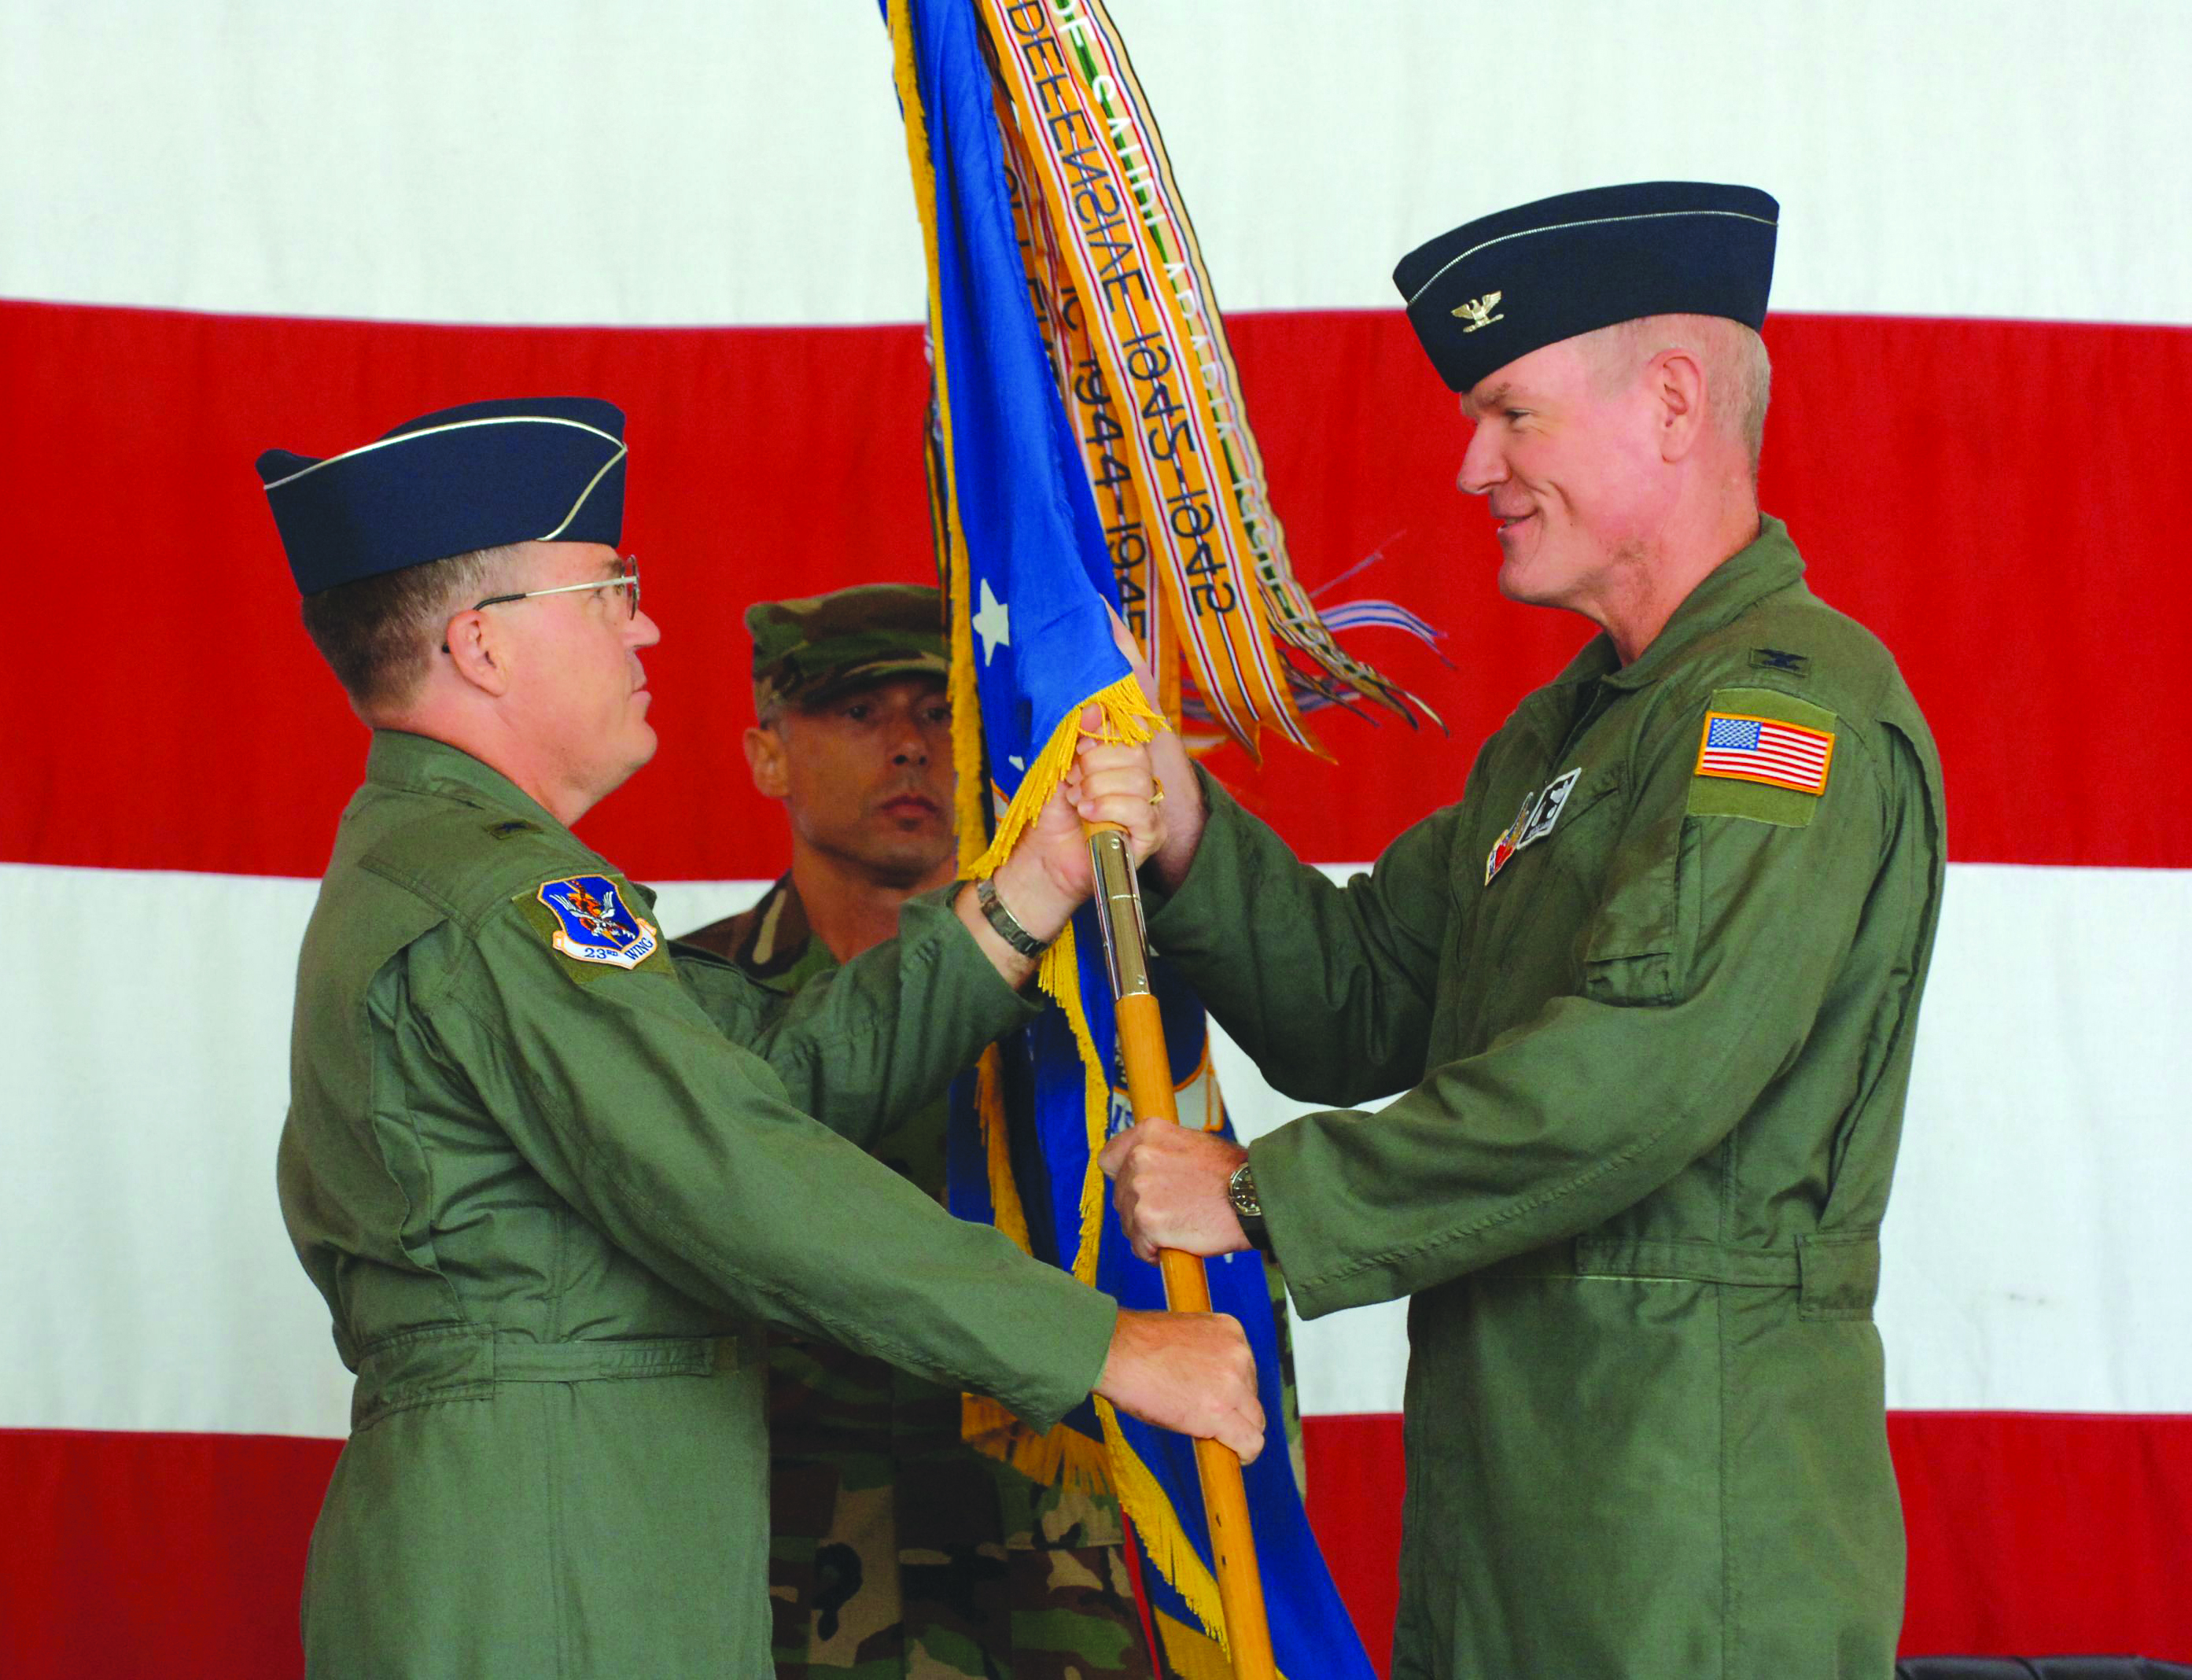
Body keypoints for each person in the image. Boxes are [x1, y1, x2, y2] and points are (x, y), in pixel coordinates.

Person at [254, 396, 1262, 1679]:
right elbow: (731, 1168)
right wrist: (1104, 1346)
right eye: (609, 589)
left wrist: (1028, 893)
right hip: (555, 1536)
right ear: (484, 649)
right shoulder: (491, 900)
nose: (647, 621)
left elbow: (768, 1084)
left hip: (577, 1513)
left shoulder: (464, 872)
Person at [1099, 182, 1947, 1678]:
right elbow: (1362, 1000)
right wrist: (1183, 833)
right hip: (1523, 1501)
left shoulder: (1776, 714)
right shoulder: (1572, 733)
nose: (1470, 464)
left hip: (1686, 1518)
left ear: (1671, 403)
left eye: (1512, 414)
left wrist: (1261, 1199)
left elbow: (1643, 1074)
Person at [683, 584, 1290, 1678]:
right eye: (857, 715)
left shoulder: (1089, 1013)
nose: (908, 749)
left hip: (1055, 1571)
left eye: (936, 711)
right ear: (767, 755)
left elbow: (1195, 1270)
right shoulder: (692, 1003)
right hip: (794, 1566)